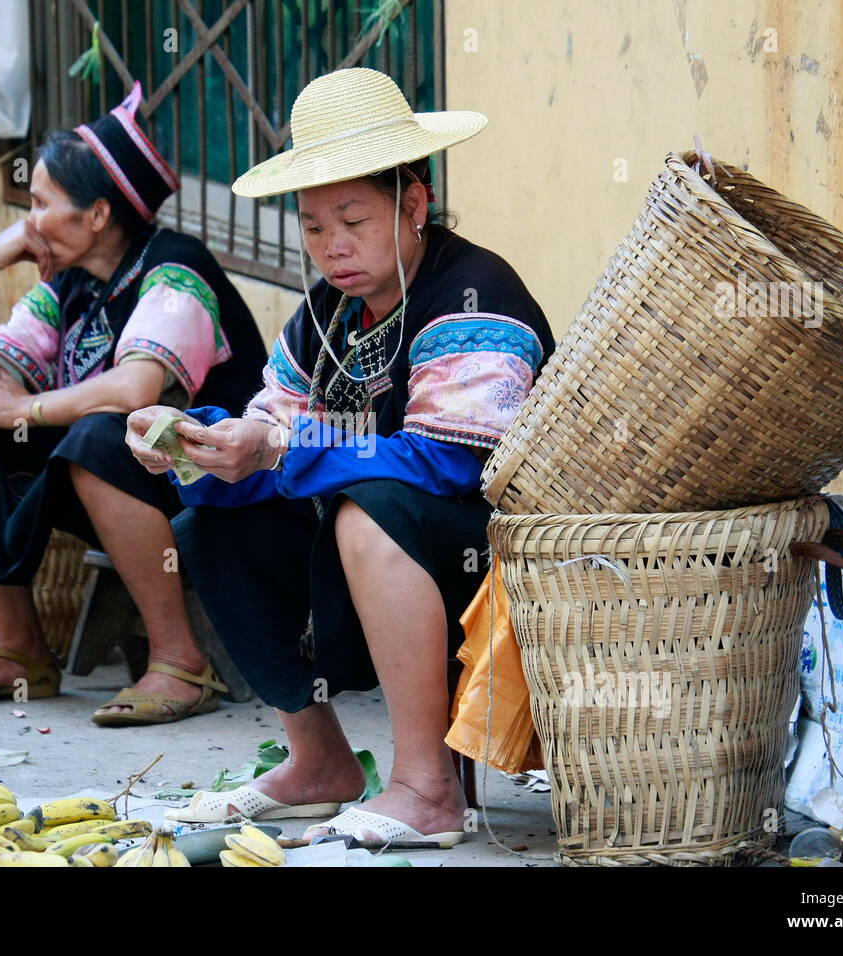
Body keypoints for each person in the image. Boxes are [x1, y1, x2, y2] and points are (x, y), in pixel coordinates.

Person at [126, 68, 554, 842]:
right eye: (315, 227)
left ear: (414, 205)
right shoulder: (328, 313)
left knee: (369, 514)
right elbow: (275, 421)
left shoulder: (473, 294)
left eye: (353, 219)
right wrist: (207, 438)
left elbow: (449, 462)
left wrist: (283, 447)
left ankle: (426, 787)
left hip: (494, 567)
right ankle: (318, 762)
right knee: (212, 521)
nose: (333, 246)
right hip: (385, 555)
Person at [0, 83, 267, 725]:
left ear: (97, 215)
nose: (29, 222)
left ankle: (182, 664)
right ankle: (18, 649)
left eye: (42, 204)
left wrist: (23, 410)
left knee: (101, 436)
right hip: (123, 477)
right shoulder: (69, 284)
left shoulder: (176, 269)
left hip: (215, 473)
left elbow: (135, 392)